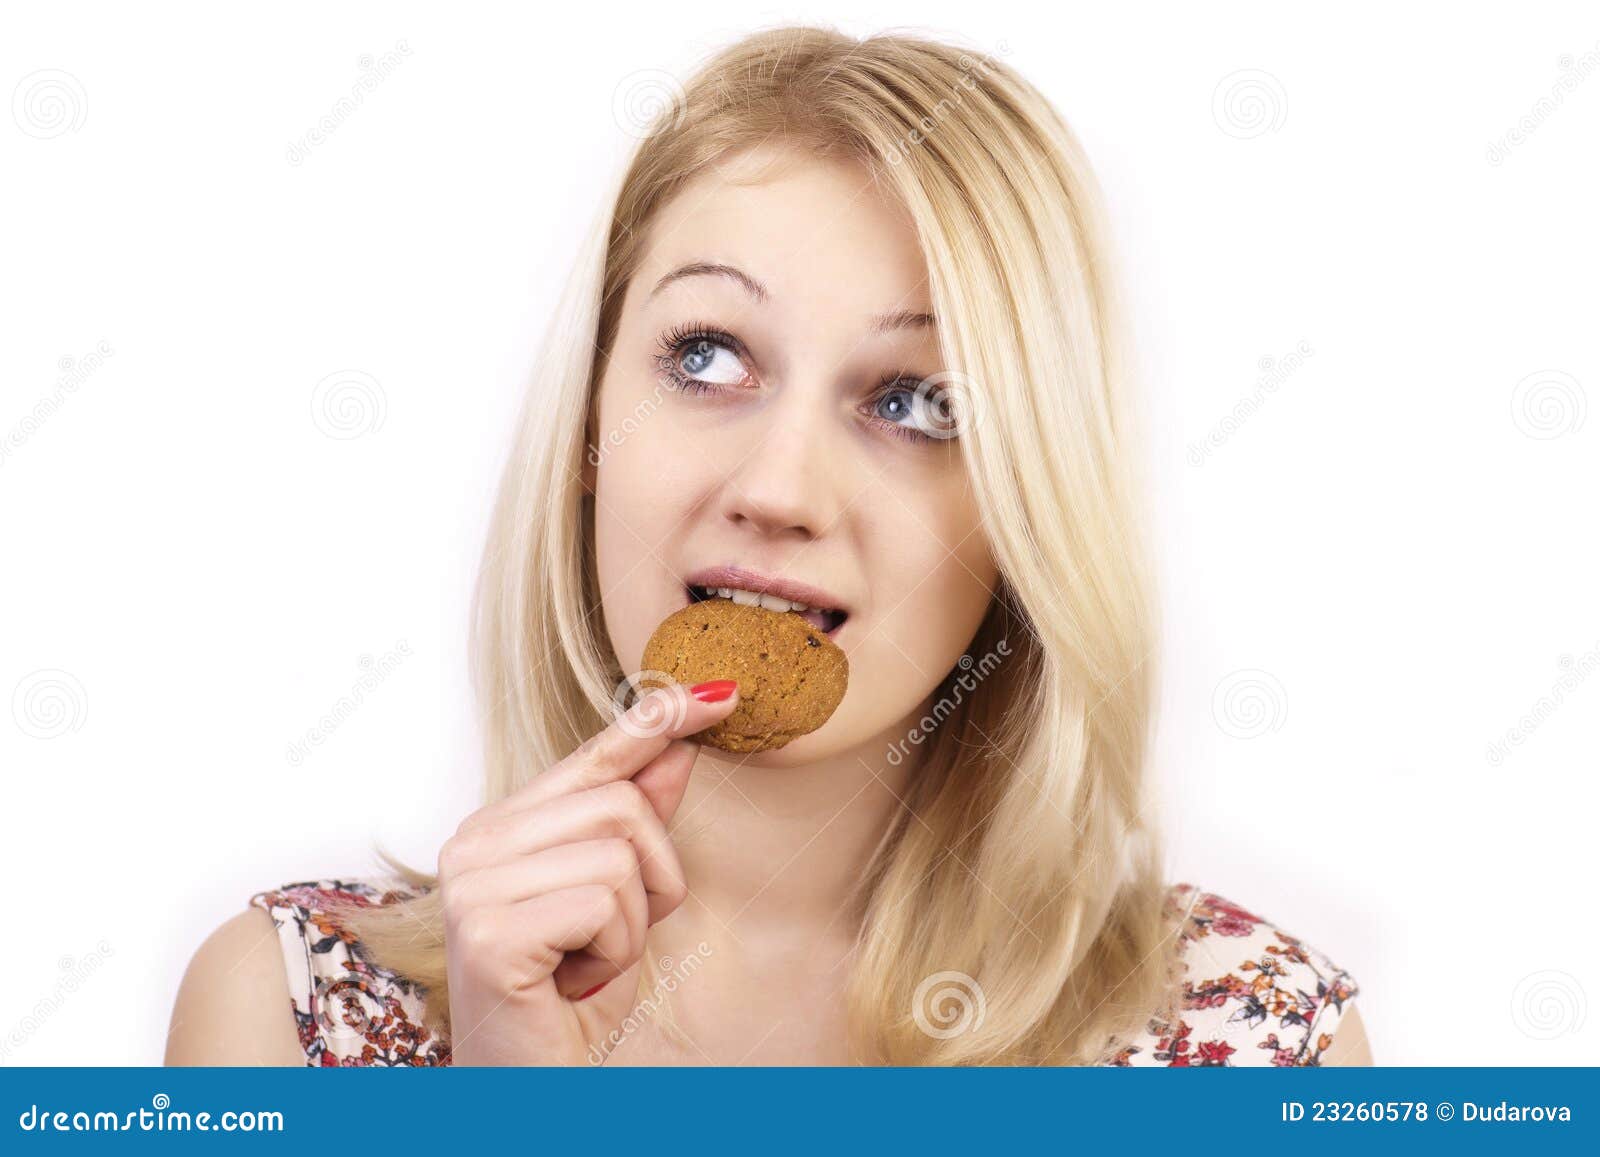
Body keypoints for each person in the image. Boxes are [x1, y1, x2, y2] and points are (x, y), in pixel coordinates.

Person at [166, 24, 1369, 1068]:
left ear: (1024, 501)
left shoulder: (1262, 1046)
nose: (779, 488)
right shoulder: (288, 1013)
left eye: (917, 400)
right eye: (706, 356)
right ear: (590, 425)